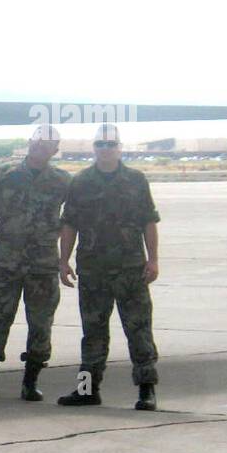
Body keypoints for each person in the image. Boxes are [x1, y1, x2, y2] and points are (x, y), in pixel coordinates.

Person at [56, 123, 161, 410]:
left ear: (120, 147)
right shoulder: (80, 182)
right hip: (93, 270)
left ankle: (146, 391)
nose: (105, 149)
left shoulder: (136, 180)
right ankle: (88, 390)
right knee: (93, 332)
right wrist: (63, 260)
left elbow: (149, 222)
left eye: (110, 144)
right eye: (100, 144)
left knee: (138, 329)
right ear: (94, 148)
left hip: (131, 269)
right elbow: (69, 224)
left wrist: (153, 259)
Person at [0, 123, 71, 401]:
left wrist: (66, 259)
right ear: (29, 142)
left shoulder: (62, 181)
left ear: (55, 150)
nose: (40, 146)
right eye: (37, 140)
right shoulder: (6, 174)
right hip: (6, 262)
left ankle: (30, 382)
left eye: (47, 143)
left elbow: (72, 222)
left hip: (43, 264)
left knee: (41, 323)